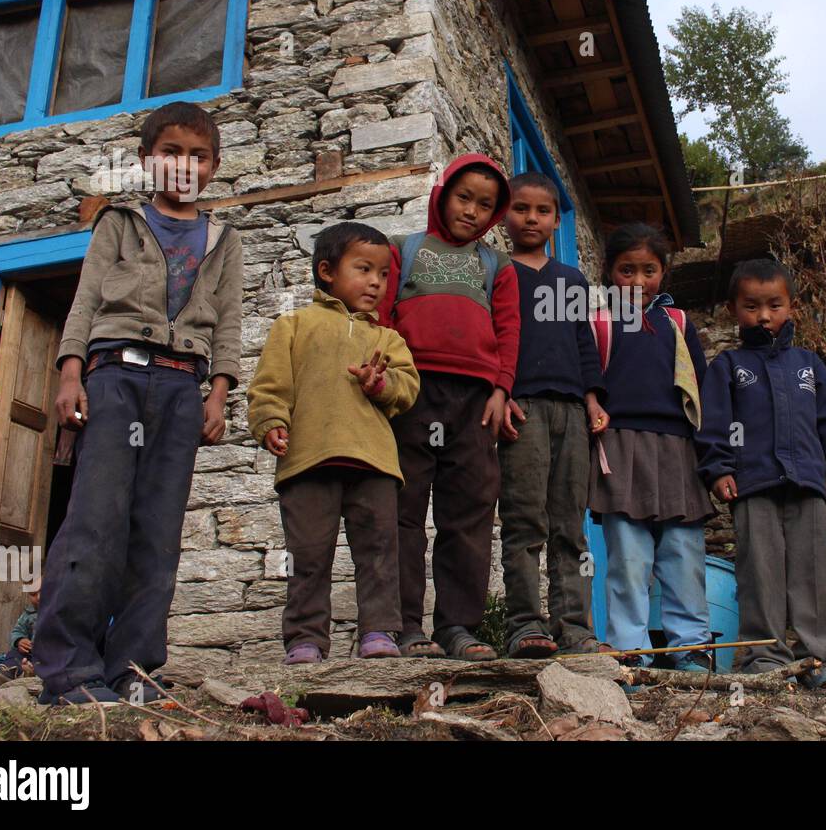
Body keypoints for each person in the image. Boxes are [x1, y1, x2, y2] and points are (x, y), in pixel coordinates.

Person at [37, 101, 242, 705]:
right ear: (147, 160)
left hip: (182, 389)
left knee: (157, 531)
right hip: (114, 378)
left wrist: (220, 392)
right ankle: (69, 671)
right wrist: (69, 376)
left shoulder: (225, 240)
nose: (184, 165)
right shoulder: (119, 223)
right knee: (96, 521)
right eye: (171, 151)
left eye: (198, 155)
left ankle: (134, 670)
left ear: (214, 167)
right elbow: (85, 302)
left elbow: (228, 321)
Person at [248, 222, 420, 664]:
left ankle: (380, 631)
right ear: (326, 271)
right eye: (364, 269)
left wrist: (381, 384)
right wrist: (270, 421)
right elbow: (269, 386)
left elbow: (407, 387)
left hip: (374, 463)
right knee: (308, 554)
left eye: (383, 274)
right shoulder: (294, 325)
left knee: (380, 552)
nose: (376, 283)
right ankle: (305, 638)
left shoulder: (387, 337)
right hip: (308, 460)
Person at [381, 154, 520, 660]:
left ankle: (458, 627)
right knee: (403, 509)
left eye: (486, 206)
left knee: (469, 512)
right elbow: (381, 317)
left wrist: (502, 389)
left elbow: (509, 331)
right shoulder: (405, 250)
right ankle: (403, 626)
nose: (472, 211)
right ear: (442, 195)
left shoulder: (495, 266)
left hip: (476, 402)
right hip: (412, 393)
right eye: (464, 198)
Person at [697, 259, 826, 686]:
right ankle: (765, 656)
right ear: (734, 309)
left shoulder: (810, 366)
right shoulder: (728, 367)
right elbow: (714, 425)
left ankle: (820, 657)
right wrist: (718, 468)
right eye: (752, 306)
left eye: (774, 305)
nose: (763, 316)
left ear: (792, 307)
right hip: (753, 484)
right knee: (759, 572)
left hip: (807, 483)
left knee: (810, 572)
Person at [589, 223, 713, 673]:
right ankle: (630, 651)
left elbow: (701, 388)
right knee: (628, 556)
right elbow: (589, 383)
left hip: (680, 448)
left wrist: (712, 453)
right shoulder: (598, 321)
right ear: (608, 271)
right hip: (621, 446)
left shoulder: (679, 324)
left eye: (649, 270)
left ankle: (692, 648)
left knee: (684, 553)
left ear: (664, 272)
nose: (638, 282)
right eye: (626, 270)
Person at [496, 173, 608, 658]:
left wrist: (593, 398)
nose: (531, 218)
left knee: (570, 525)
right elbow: (490, 341)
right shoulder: (496, 273)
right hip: (522, 410)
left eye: (542, 211)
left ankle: (576, 628)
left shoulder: (570, 279)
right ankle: (525, 624)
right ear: (505, 215)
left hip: (571, 413)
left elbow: (585, 344)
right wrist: (500, 393)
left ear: (556, 220)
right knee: (524, 521)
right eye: (521, 209)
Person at [0, 590, 39, 688]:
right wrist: (19, 640)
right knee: (14, 654)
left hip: (53, 659)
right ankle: (7, 671)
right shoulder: (29, 614)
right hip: (30, 655)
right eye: (33, 594)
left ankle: (35, 675)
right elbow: (18, 630)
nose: (39, 597)